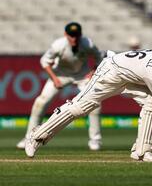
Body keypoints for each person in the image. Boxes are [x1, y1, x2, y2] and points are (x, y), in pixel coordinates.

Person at [24, 50, 152, 162]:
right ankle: (37, 136)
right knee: (80, 108)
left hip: (130, 74)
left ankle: (141, 151)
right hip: (110, 73)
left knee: (151, 105)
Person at [16, 23, 104, 151]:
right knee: (40, 102)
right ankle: (29, 137)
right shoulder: (59, 45)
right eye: (71, 36)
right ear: (65, 35)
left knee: (95, 104)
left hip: (82, 75)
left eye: (76, 36)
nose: (74, 39)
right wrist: (55, 79)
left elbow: (99, 57)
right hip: (60, 75)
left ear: (80, 35)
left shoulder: (88, 44)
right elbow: (44, 62)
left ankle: (95, 140)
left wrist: (93, 72)